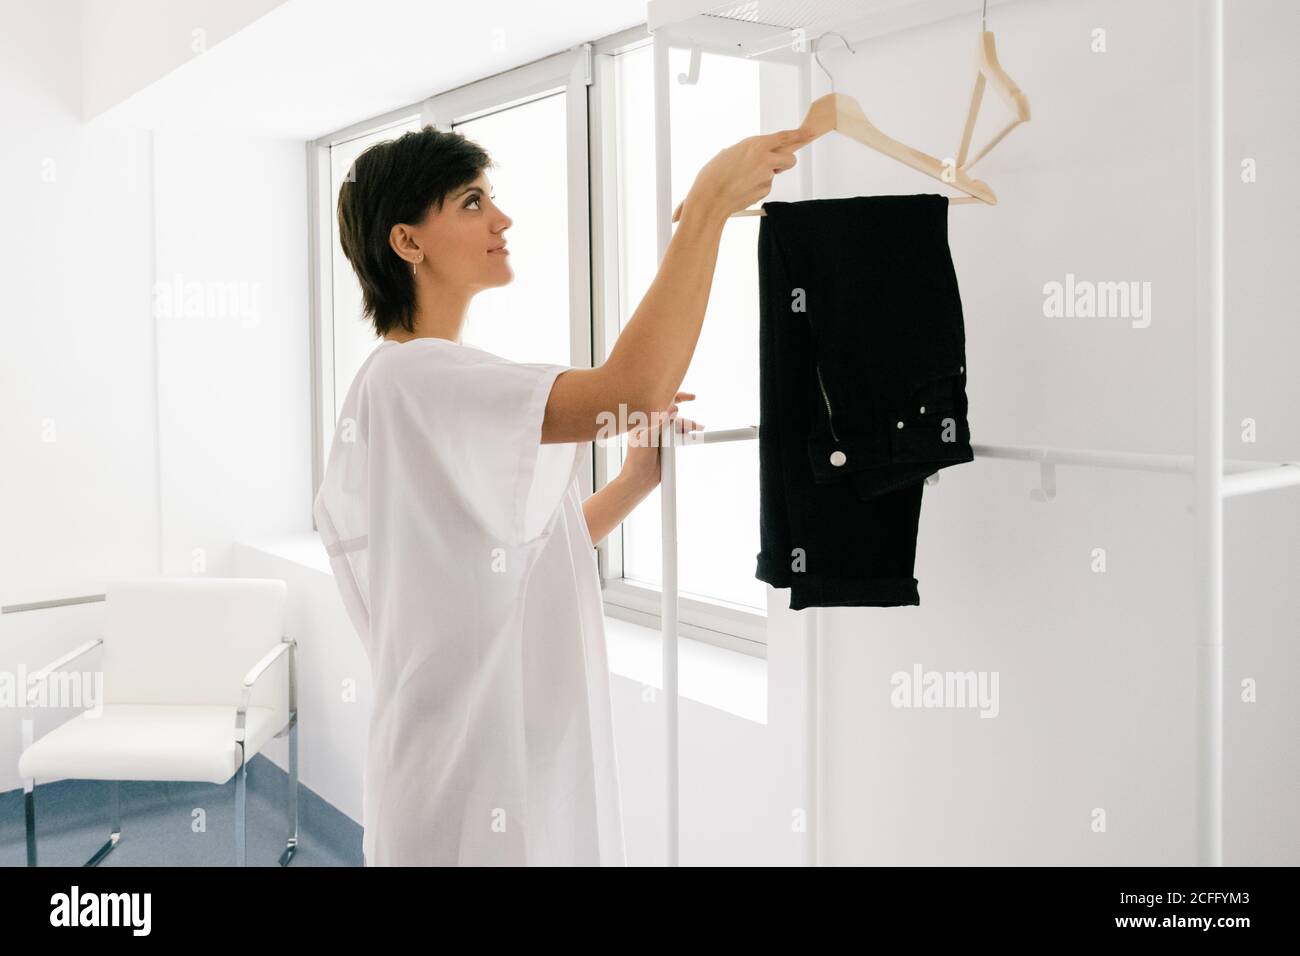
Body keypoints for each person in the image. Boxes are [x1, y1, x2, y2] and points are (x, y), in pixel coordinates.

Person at [313, 123, 812, 865]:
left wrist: (635, 480)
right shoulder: (414, 377)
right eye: (472, 202)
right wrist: (708, 208)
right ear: (408, 242)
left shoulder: (416, 381)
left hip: (484, 759)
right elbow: (629, 386)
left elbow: (514, 558)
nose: (501, 220)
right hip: (462, 779)